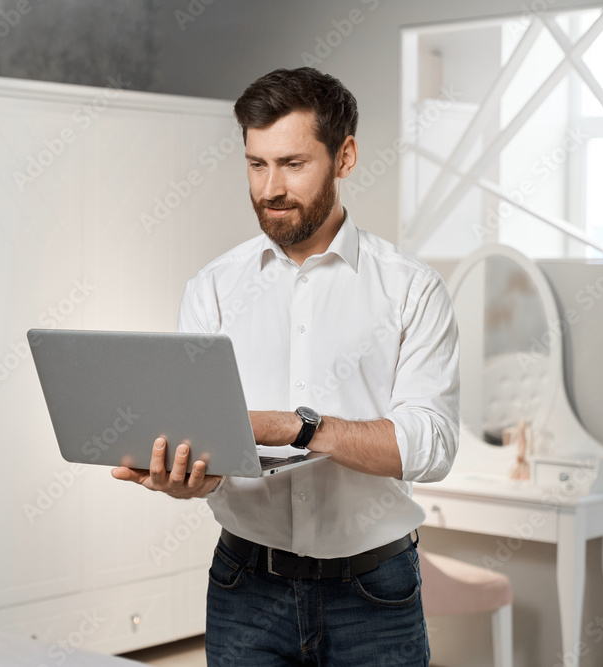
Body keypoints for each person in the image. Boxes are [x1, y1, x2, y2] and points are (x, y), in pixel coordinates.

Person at [112, 67, 460, 665]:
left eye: (293, 164)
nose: (270, 187)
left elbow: (432, 446)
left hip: (375, 594)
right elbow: (212, 451)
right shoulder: (213, 289)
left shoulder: (412, 291)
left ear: (344, 156)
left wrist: (295, 427)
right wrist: (190, 477)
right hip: (244, 585)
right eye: (256, 164)